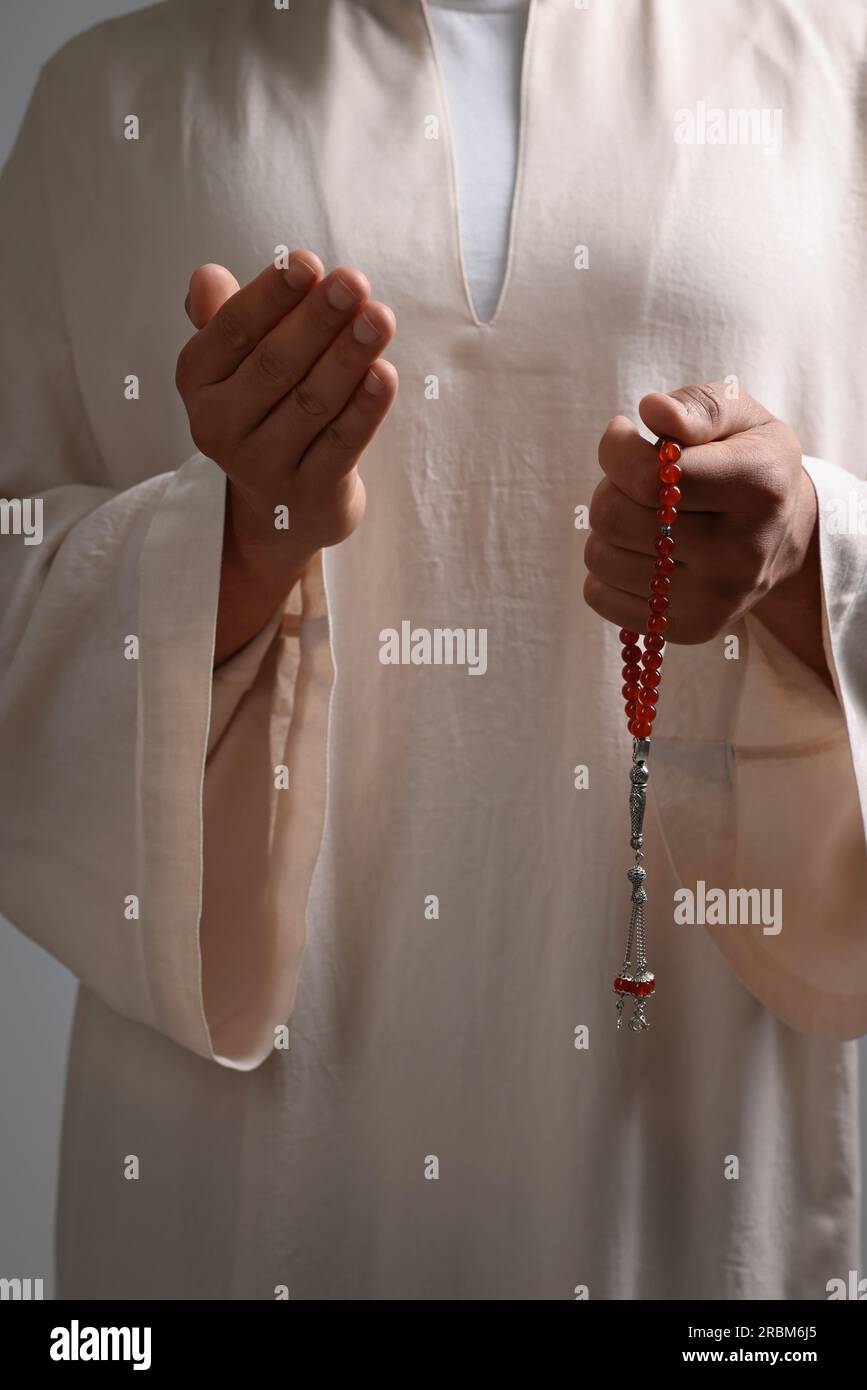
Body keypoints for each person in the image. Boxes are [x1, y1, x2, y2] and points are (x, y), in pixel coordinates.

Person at [1, 0, 866, 1301]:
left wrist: (812, 560)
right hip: (245, 1203)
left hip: (694, 1165)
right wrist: (225, 553)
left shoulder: (830, 59)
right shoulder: (110, 101)